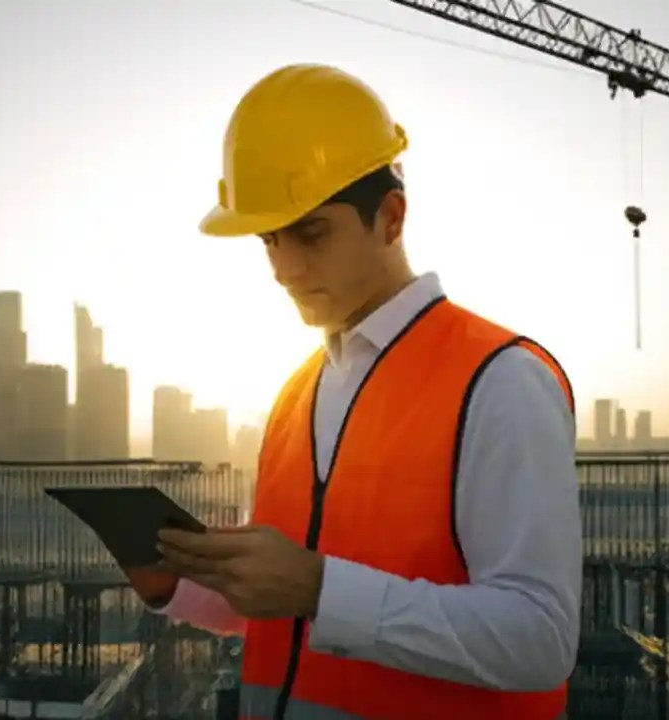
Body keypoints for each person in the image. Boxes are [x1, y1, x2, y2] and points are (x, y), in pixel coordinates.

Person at [134, 63, 582, 719]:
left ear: (391, 217)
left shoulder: (499, 379)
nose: (285, 268)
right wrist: (177, 582)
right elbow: (281, 605)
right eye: (269, 239)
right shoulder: (295, 395)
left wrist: (321, 590)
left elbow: (539, 637)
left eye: (312, 232)